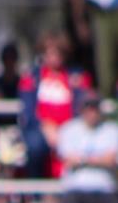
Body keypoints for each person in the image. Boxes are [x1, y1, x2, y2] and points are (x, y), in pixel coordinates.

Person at [18, 32, 94, 178]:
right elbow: (28, 111)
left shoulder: (76, 78)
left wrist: (66, 130)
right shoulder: (32, 78)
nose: (54, 57)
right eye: (49, 53)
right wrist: (45, 126)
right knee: (35, 145)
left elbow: (82, 107)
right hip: (41, 128)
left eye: (58, 53)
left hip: (70, 128)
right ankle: (37, 192)